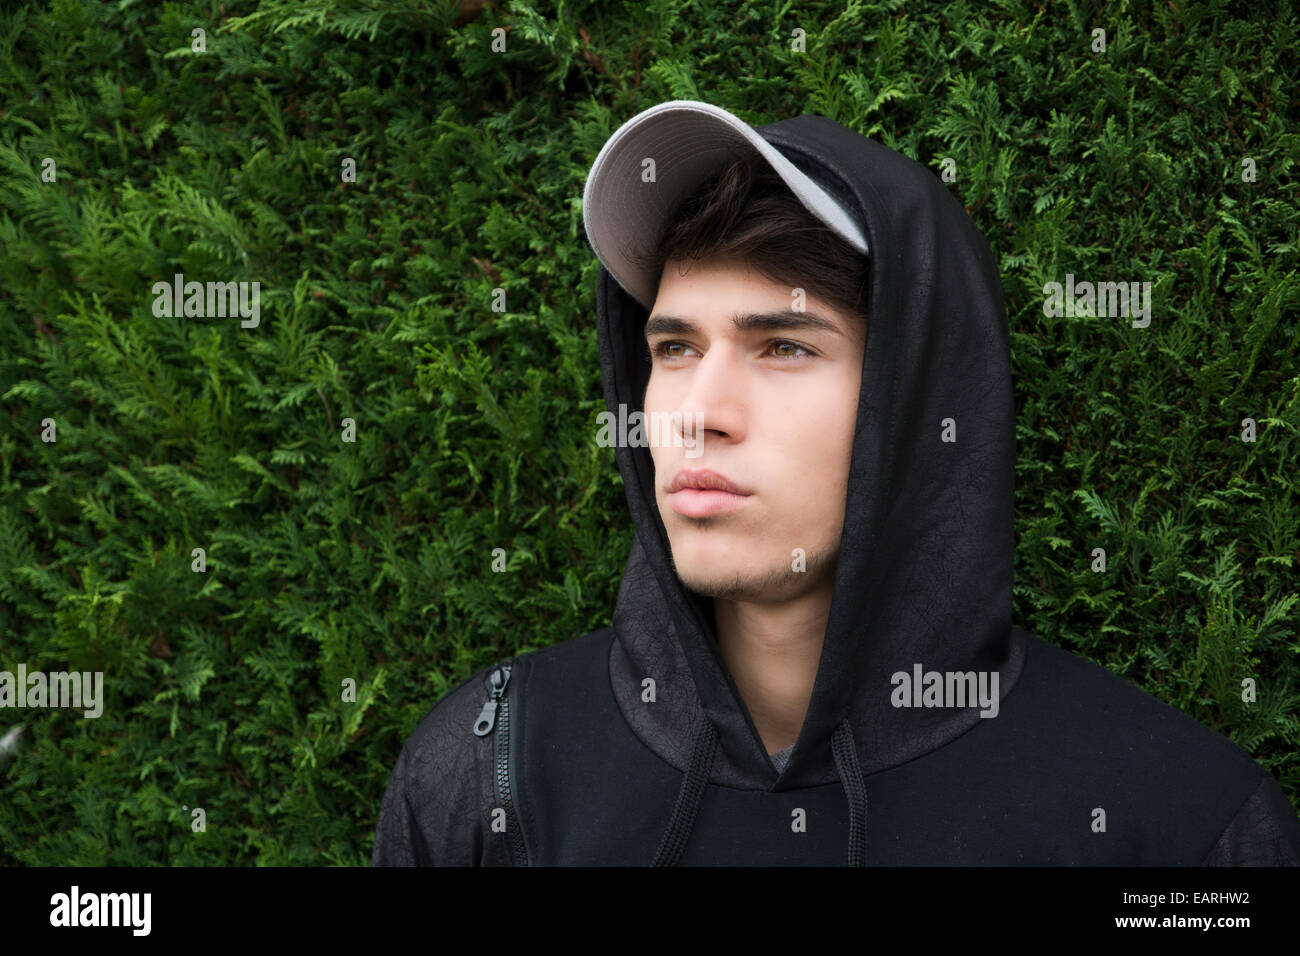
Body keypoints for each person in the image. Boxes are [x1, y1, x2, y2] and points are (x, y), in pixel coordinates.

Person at [372, 100, 1300, 865]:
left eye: (782, 346)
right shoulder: (491, 772)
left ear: (920, 396)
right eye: (674, 347)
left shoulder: (1174, 822)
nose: (700, 411)